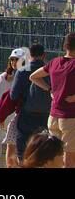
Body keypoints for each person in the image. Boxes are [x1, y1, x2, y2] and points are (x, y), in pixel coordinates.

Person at [26, 31, 75, 168]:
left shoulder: (54, 62)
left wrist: (49, 89)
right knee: (69, 161)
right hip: (71, 118)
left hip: (53, 116)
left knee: (53, 160)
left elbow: (33, 77)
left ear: (65, 46)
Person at [10, 43, 50, 159]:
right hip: (45, 116)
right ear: (44, 55)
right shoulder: (49, 70)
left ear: (29, 56)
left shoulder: (22, 71)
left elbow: (13, 96)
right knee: (43, 150)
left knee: (24, 150)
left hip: (26, 115)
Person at [0, 48, 27, 167]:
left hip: (17, 115)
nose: (14, 62)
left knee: (16, 147)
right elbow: (0, 97)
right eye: (12, 60)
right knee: (11, 147)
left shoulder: (24, 75)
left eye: (17, 60)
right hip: (7, 114)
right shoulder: (3, 77)